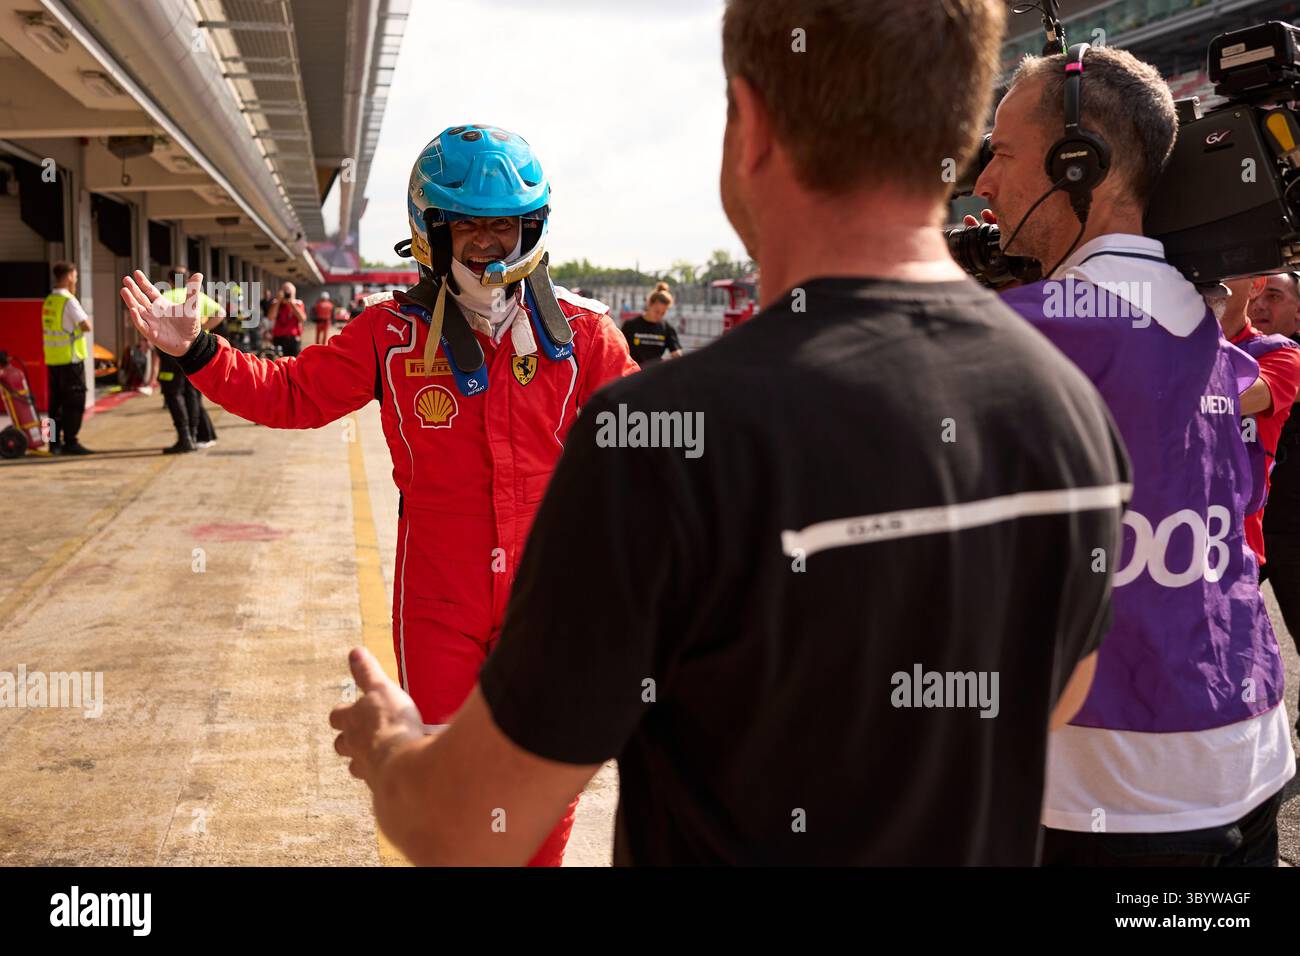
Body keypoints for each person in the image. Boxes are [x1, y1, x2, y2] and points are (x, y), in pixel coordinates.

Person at [329, 0, 1130, 866]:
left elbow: (467, 827)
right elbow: (1053, 695)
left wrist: (390, 746)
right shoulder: (1069, 409)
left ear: (749, 127)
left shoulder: (654, 444)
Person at [121, 123, 637, 866]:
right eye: (470, 227)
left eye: (505, 227)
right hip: (440, 603)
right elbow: (291, 393)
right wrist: (198, 350)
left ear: (534, 228)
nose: (490, 245)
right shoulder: (389, 336)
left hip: (548, 596)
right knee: (448, 783)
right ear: (432, 232)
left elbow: (644, 457)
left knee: (541, 784)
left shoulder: (587, 336)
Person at [972, 44, 1295, 865]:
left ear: (1080, 162)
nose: (983, 183)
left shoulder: (1020, 331)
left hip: (1111, 803)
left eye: (1001, 153)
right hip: (1252, 761)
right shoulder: (1225, 346)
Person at [1212, 278, 1300, 566]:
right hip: (1151, 538)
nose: (1208, 279)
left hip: (1233, 547)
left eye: (1223, 270)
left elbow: (1226, 399)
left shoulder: (1280, 354)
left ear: (1255, 284)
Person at [1253, 273, 1300, 729]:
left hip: (1292, 527)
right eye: (1259, 292)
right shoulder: (1232, 351)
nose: (1262, 303)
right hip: (1243, 525)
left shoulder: (1287, 357)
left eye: (1275, 295)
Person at [157, 267, 225, 454]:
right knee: (192, 393)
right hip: (197, 351)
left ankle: (184, 436)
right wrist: (202, 329)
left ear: (170, 281)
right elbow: (220, 313)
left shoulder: (166, 296)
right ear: (187, 280)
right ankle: (194, 436)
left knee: (172, 393)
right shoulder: (197, 296)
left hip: (171, 352)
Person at [42, 261, 93, 455]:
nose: (77, 280)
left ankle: (53, 443)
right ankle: (71, 442)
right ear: (70, 276)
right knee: (73, 404)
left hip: (53, 360)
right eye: (76, 276)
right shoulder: (68, 301)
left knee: (55, 405)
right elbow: (86, 326)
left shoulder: (49, 301)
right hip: (71, 360)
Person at [620, 282, 683, 365]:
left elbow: (676, 352)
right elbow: (620, 351)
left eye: (663, 313)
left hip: (654, 375)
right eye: (657, 311)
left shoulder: (667, 328)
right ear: (649, 304)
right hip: (634, 375)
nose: (659, 315)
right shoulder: (630, 325)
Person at [268, 282, 306, 357]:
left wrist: (292, 304)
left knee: (294, 365)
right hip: (278, 339)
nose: (286, 295)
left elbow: (302, 318)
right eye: (285, 292)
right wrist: (278, 301)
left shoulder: (298, 303)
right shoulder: (276, 303)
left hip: (293, 340)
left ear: (294, 293)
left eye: (289, 292)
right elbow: (271, 317)